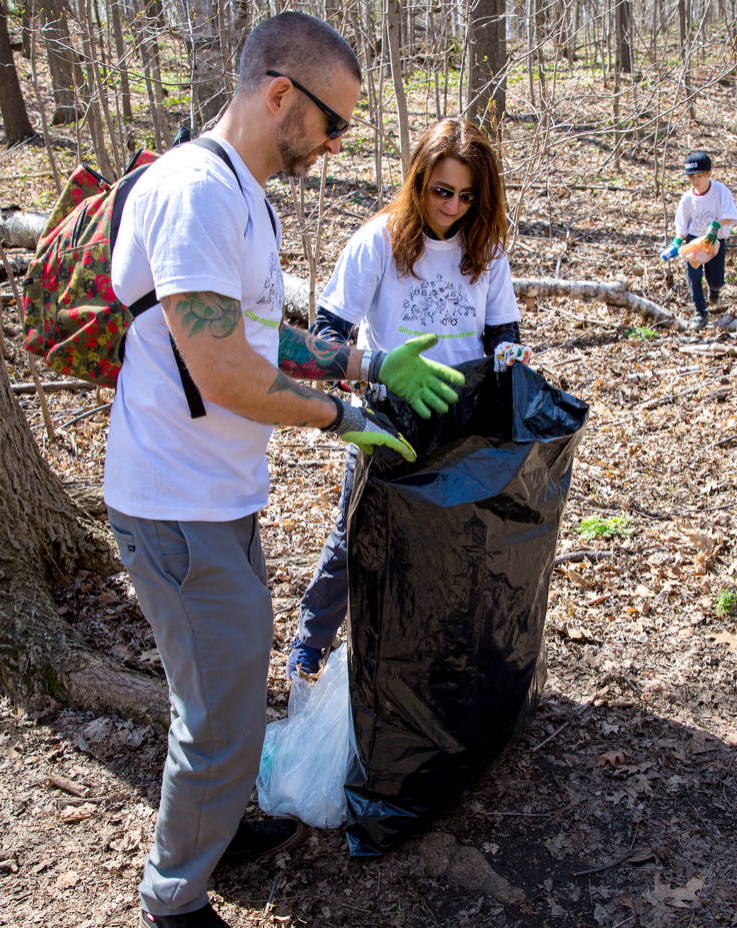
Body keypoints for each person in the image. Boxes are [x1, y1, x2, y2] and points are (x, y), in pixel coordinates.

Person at [105, 14, 465, 928]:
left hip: (216, 498)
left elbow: (257, 333)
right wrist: (341, 417)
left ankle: (218, 826)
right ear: (279, 94)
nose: (336, 143)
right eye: (333, 122)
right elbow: (222, 370)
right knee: (221, 716)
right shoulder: (196, 191)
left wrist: (364, 363)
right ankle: (173, 899)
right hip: (174, 504)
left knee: (223, 694)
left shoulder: (244, 195)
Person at [287, 117, 531, 678]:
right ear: (419, 179)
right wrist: (355, 380)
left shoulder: (486, 248)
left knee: (454, 537)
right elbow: (328, 331)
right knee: (358, 530)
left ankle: (436, 650)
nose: (452, 206)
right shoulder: (381, 239)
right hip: (389, 414)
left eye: (467, 196)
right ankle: (311, 643)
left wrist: (508, 357)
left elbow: (503, 332)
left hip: (461, 418)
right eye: (442, 191)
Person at [660, 151, 737, 330]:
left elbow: (731, 215)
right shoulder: (687, 198)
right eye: (691, 177)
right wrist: (677, 243)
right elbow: (682, 224)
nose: (695, 180)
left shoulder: (720, 191)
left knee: (716, 280)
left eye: (699, 176)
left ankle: (714, 289)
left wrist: (716, 225)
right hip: (693, 241)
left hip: (715, 241)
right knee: (694, 276)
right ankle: (700, 312)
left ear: (709, 174)